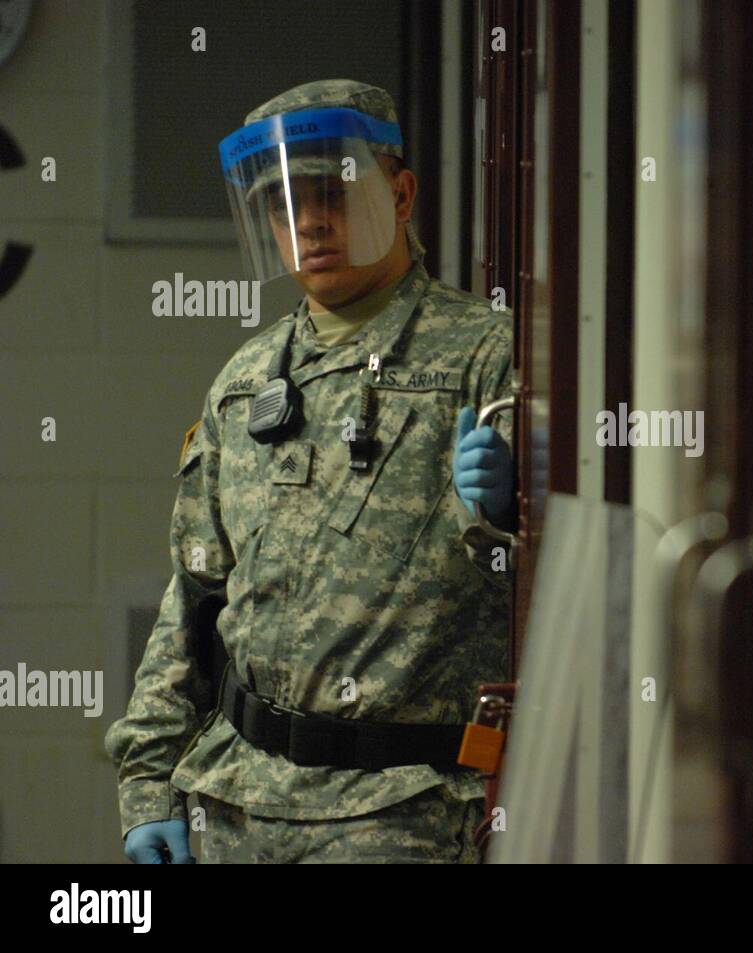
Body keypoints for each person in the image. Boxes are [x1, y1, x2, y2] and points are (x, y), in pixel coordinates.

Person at [104, 79, 515, 864]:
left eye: (333, 192)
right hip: (233, 800)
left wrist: (514, 509)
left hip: (401, 808)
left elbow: (564, 576)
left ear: (400, 195)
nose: (309, 221)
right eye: (283, 205)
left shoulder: (485, 352)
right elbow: (192, 601)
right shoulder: (247, 379)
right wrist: (149, 782)